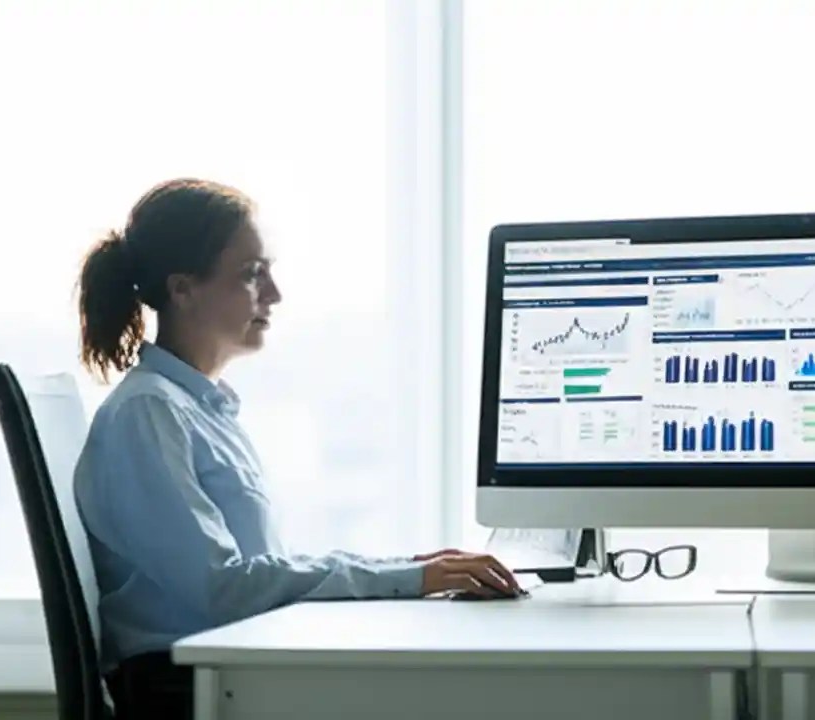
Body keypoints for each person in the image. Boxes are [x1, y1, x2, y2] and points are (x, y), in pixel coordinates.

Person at [73, 178, 520, 719]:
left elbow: (259, 571)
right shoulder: (149, 413)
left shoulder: (194, 409)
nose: (275, 294)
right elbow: (223, 587)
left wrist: (409, 568)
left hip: (217, 671)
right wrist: (407, 579)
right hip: (182, 688)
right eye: (251, 274)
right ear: (183, 289)